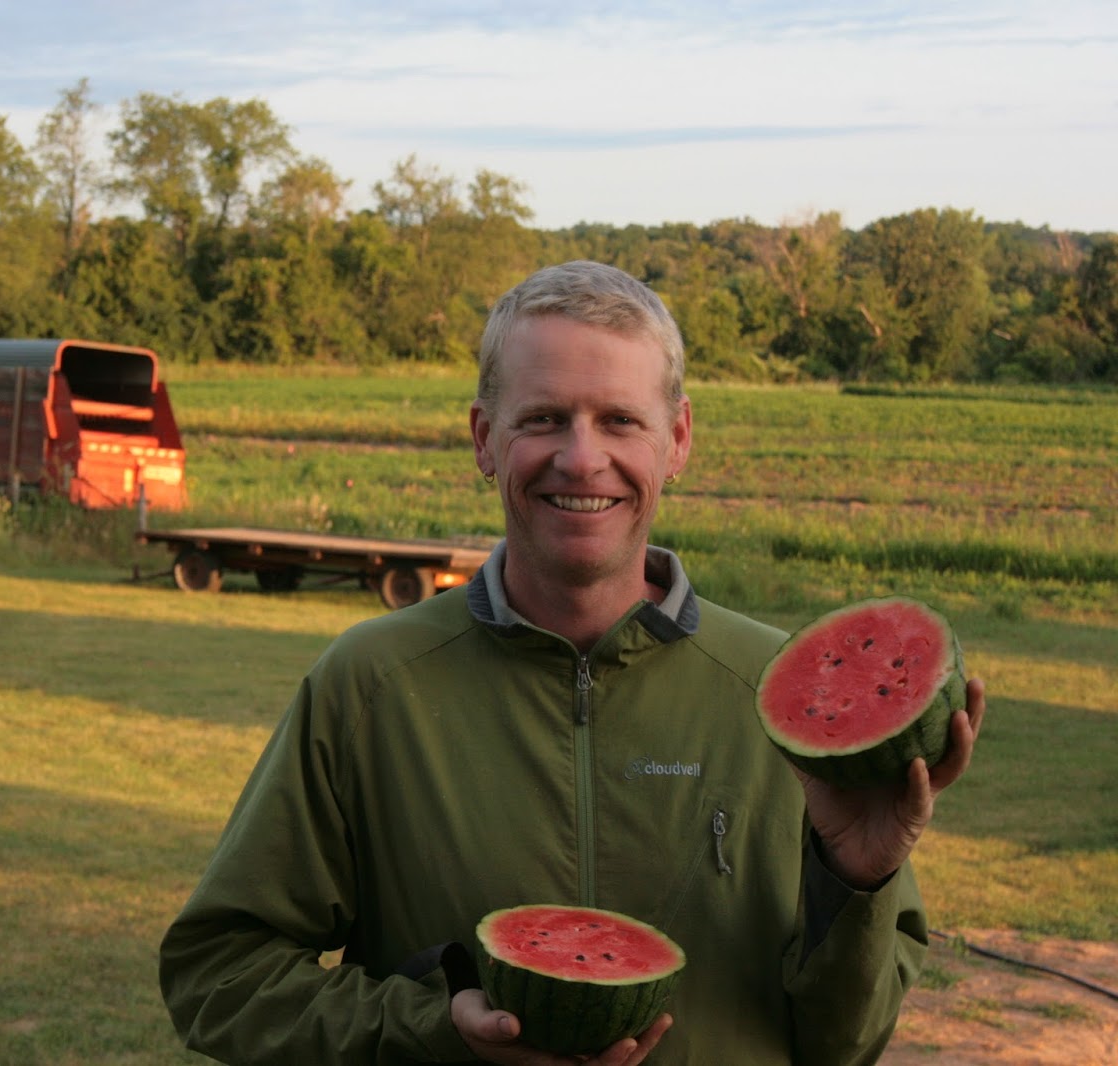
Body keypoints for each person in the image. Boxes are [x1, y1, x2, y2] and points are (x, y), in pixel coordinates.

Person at [158, 260, 986, 1065]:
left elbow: (845, 1046)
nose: (582, 459)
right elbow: (218, 977)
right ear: (487, 439)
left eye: (620, 420)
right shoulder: (371, 684)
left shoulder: (782, 705)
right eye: (545, 418)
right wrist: (434, 1032)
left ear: (679, 439)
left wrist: (858, 883)